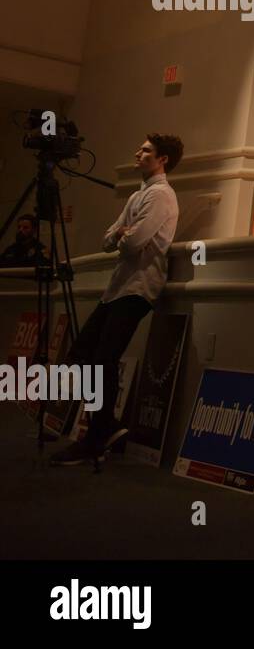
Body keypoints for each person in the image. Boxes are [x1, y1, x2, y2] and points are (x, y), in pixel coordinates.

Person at [50, 133, 182, 465]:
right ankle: (106, 425)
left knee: (104, 358)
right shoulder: (139, 195)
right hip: (118, 288)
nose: (138, 153)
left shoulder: (162, 196)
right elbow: (109, 238)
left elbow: (132, 242)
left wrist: (123, 236)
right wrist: (120, 235)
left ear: (162, 159)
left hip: (138, 287)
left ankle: (97, 436)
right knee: (83, 353)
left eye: (146, 150)